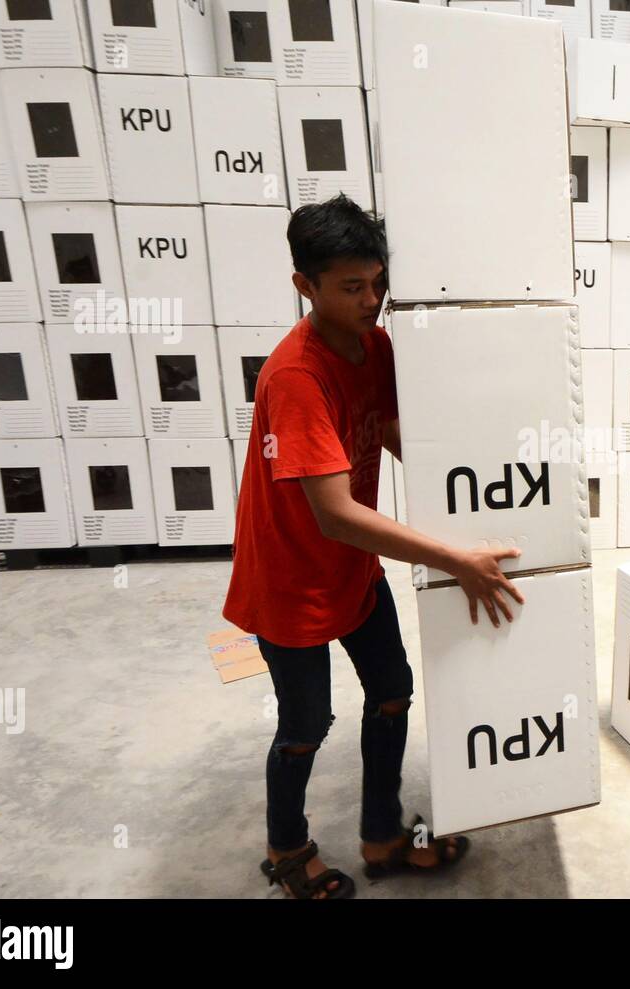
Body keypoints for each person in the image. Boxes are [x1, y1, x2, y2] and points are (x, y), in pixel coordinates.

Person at [222, 194, 524, 899]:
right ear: (306, 285)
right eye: (351, 287)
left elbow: (391, 436)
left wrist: (480, 485)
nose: (371, 300)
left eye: (378, 283)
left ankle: (382, 834)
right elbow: (334, 514)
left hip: (352, 570)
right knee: (305, 725)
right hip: (290, 580)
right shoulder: (295, 376)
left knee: (392, 692)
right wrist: (455, 559)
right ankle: (287, 848)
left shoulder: (374, 345)